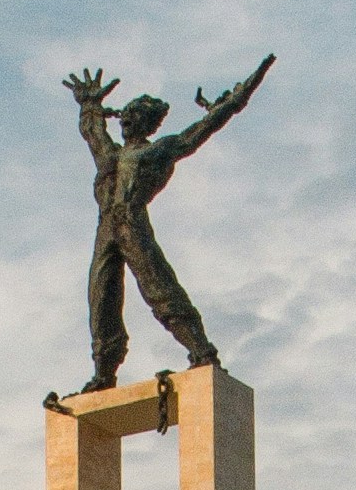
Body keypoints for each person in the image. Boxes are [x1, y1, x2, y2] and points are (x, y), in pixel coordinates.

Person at [64, 58, 274, 388]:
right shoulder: (112, 154)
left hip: (130, 220)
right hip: (106, 227)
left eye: (133, 115)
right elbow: (93, 132)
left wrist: (235, 99)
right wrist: (89, 104)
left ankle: (201, 351)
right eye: (126, 115)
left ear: (146, 123)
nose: (125, 119)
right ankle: (104, 372)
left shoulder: (159, 149)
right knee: (101, 296)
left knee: (159, 288)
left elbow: (201, 130)